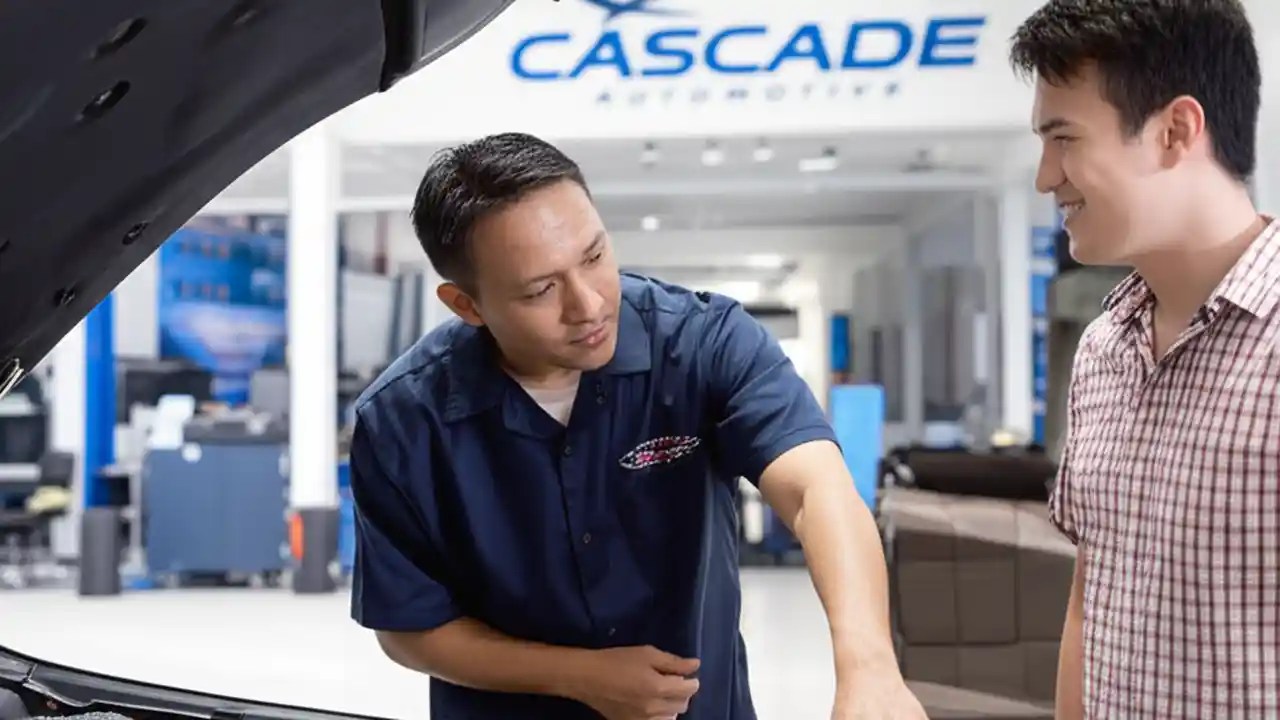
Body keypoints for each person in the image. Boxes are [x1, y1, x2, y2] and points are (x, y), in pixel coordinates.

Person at [347, 131, 925, 720]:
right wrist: (577, 676)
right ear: (466, 306)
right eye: (542, 289)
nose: (589, 305)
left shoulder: (704, 342)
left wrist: (870, 670)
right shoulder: (401, 422)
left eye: (594, 256)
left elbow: (815, 489)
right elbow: (409, 627)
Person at [1011, 1, 1279, 718]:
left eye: (1064, 137)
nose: (1046, 177)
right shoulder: (1102, 352)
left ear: (1175, 131)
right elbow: (1088, 607)